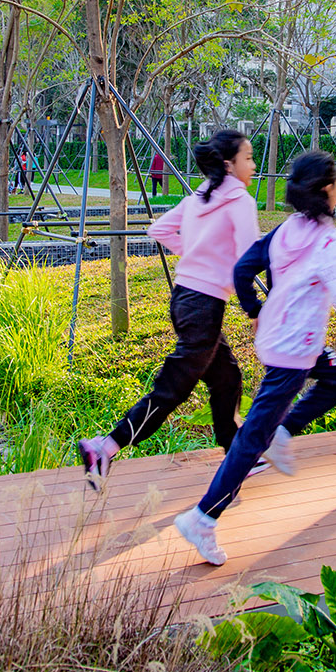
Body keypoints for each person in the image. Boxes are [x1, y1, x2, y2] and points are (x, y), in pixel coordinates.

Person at [173, 150, 336, 566]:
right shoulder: (329, 239)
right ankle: (203, 517)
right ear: (328, 189)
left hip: (287, 340)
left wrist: (255, 309)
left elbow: (243, 268)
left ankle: (285, 432)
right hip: (293, 351)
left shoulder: (288, 228)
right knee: (252, 437)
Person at [78, 130, 259, 490]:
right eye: (248, 158)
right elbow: (247, 260)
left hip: (183, 300)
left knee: (227, 377)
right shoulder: (240, 202)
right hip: (205, 307)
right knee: (172, 389)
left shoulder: (198, 199)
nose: (253, 165)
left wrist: (193, 255)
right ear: (229, 165)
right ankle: (106, 446)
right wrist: (255, 311)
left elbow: (158, 229)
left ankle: (237, 454)